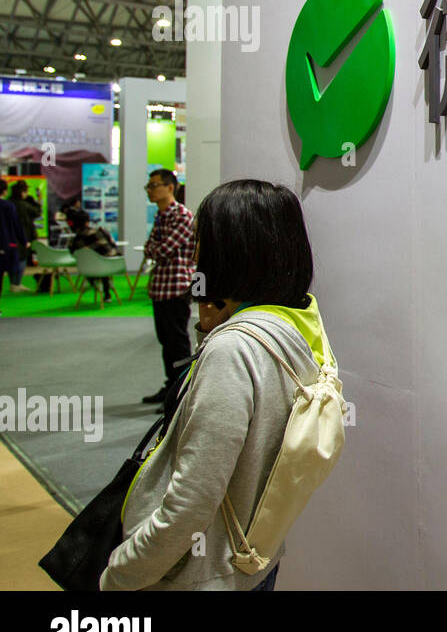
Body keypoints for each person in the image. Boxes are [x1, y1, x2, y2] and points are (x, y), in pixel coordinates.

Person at [101, 179, 333, 591]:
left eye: (203, 240)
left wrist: (122, 574)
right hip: (253, 558)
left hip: (200, 575)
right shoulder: (297, 326)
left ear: (230, 251)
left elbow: (192, 498)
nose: (196, 253)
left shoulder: (234, 349)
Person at [140, 170, 196, 404]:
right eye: (149, 186)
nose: (150, 190)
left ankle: (181, 391)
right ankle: (170, 385)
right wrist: (154, 248)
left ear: (170, 187)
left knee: (177, 342)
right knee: (166, 341)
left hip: (177, 288)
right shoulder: (161, 216)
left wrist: (154, 248)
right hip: (160, 287)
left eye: (154, 185)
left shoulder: (182, 215)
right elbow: (149, 248)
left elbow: (161, 250)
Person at [66, 209, 121, 302]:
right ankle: (107, 292)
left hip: (88, 268)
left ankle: (94, 282)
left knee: (94, 262)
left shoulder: (74, 241)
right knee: (103, 260)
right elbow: (113, 245)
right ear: (87, 222)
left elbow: (74, 254)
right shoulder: (100, 231)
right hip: (111, 264)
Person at [5, 181, 36, 292]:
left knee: (11, 259)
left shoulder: (8, 203)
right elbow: (35, 212)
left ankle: (13, 283)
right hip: (19, 236)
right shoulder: (21, 205)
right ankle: (16, 283)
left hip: (7, 237)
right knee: (21, 258)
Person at [0, 194, 24, 315]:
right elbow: (16, 225)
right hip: (5, 244)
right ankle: (15, 283)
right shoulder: (8, 206)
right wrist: (24, 240)